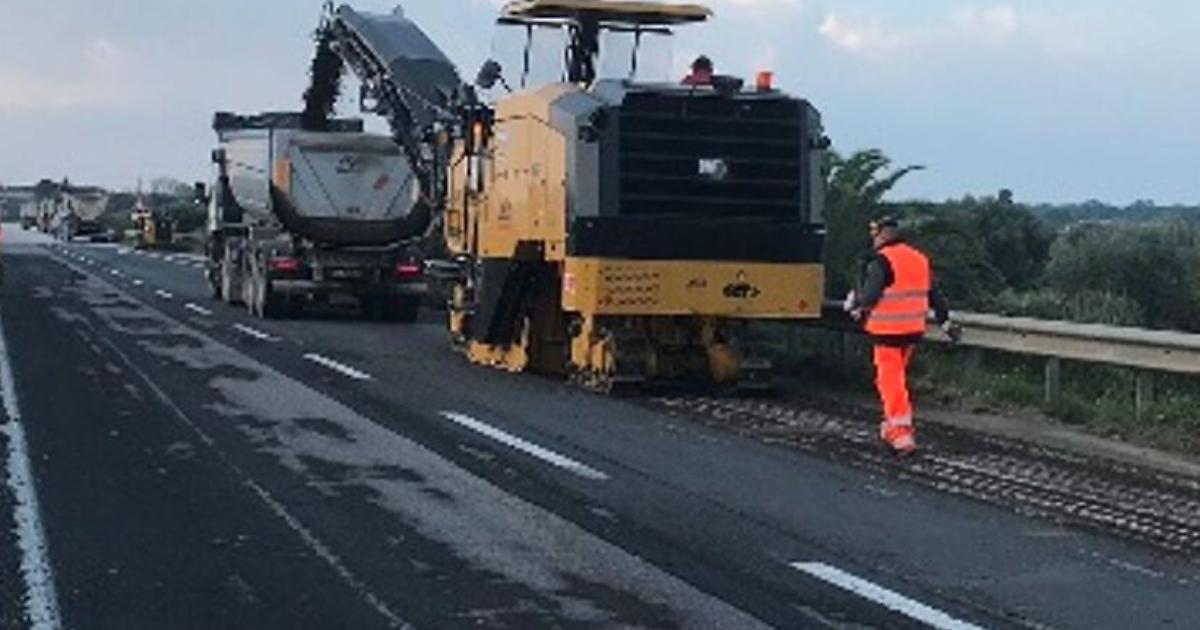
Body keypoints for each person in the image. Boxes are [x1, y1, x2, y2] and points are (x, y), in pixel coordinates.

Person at [844, 215, 960, 455]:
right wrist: (945, 323)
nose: (873, 240)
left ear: (882, 234)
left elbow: (872, 292)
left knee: (890, 383)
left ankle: (901, 434)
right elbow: (935, 296)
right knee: (895, 380)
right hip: (912, 331)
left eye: (875, 235)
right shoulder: (919, 259)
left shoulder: (882, 260)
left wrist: (857, 306)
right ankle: (890, 426)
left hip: (886, 331)